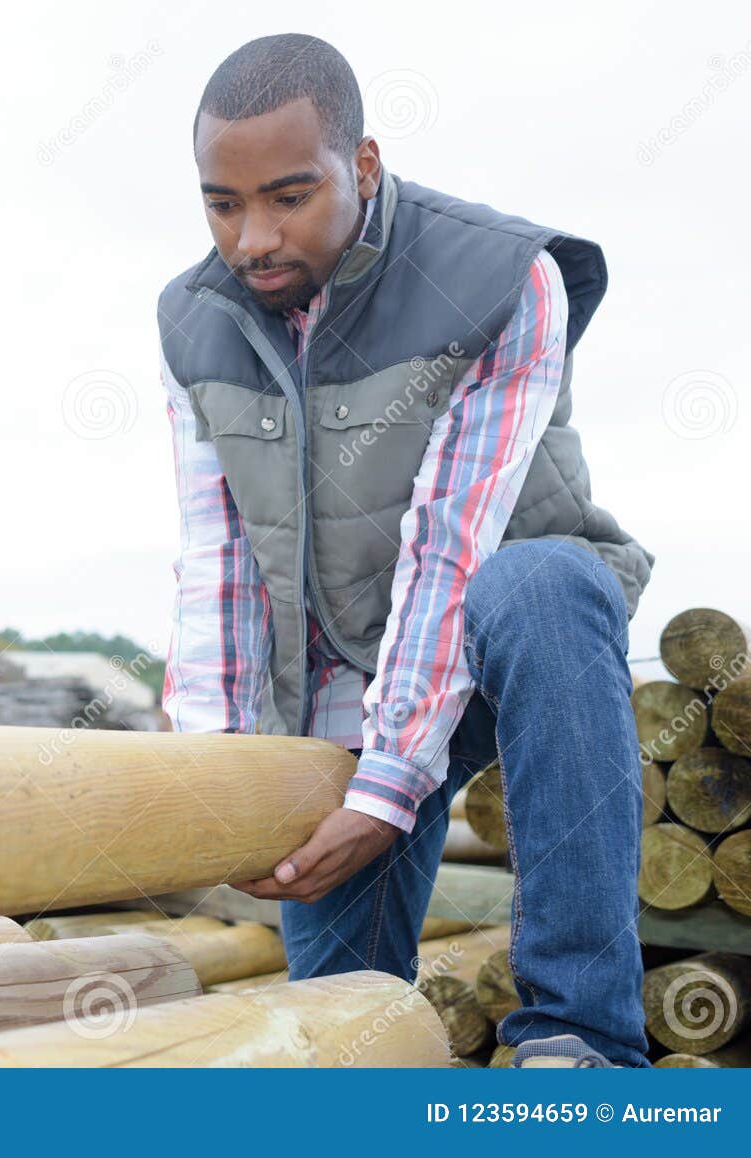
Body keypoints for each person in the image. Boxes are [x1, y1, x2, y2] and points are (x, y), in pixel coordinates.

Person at [157, 33, 654, 1067]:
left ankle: (576, 1037)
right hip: (353, 676)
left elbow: (448, 546)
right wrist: (220, 792)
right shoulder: (194, 320)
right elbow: (220, 562)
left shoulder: (502, 279)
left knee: (544, 581)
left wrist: (387, 792)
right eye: (222, 203)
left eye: (288, 197)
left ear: (364, 166)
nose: (251, 237)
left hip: (510, 644)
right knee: (341, 1031)